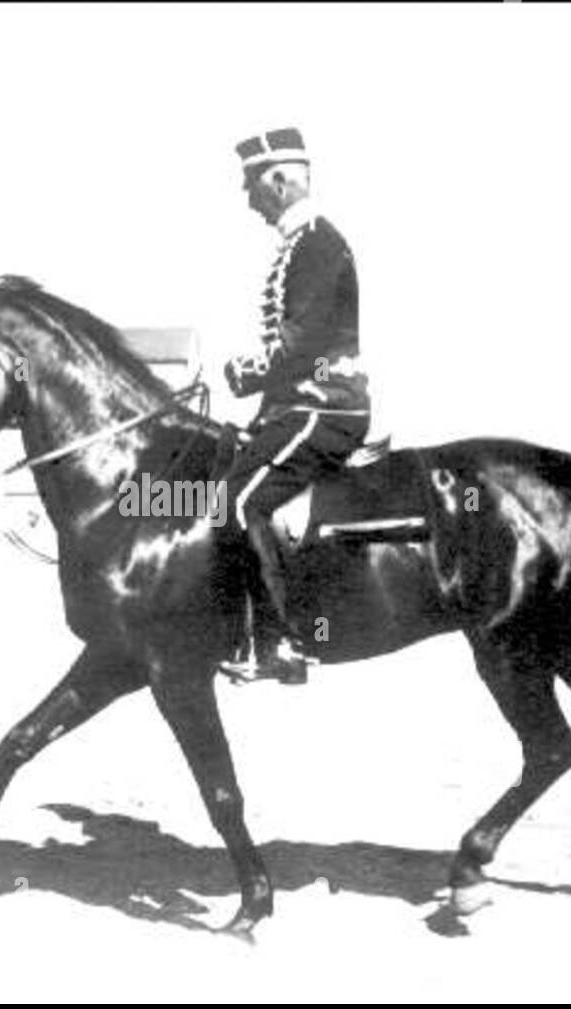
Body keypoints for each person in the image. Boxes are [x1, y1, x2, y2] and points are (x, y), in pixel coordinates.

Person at [219, 127, 370, 685]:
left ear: (279, 181)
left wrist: (246, 372)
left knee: (240, 503)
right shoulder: (301, 242)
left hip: (325, 407)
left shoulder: (317, 243)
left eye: (251, 185)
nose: (247, 197)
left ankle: (282, 642)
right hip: (298, 406)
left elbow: (300, 343)